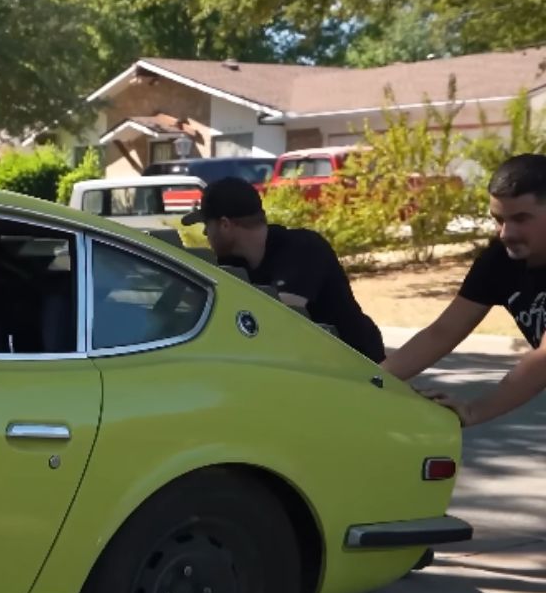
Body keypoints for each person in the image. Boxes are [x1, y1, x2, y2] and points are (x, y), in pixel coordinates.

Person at [383, 154, 546, 427]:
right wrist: (371, 381)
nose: (506, 233)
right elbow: (442, 332)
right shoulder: (500, 260)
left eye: (521, 219)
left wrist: (474, 411)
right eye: (498, 219)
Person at [182, 176, 386, 362]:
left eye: (207, 225)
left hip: (359, 365)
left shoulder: (302, 248)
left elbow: (281, 318)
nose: (205, 233)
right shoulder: (234, 262)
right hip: (308, 363)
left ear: (225, 225)